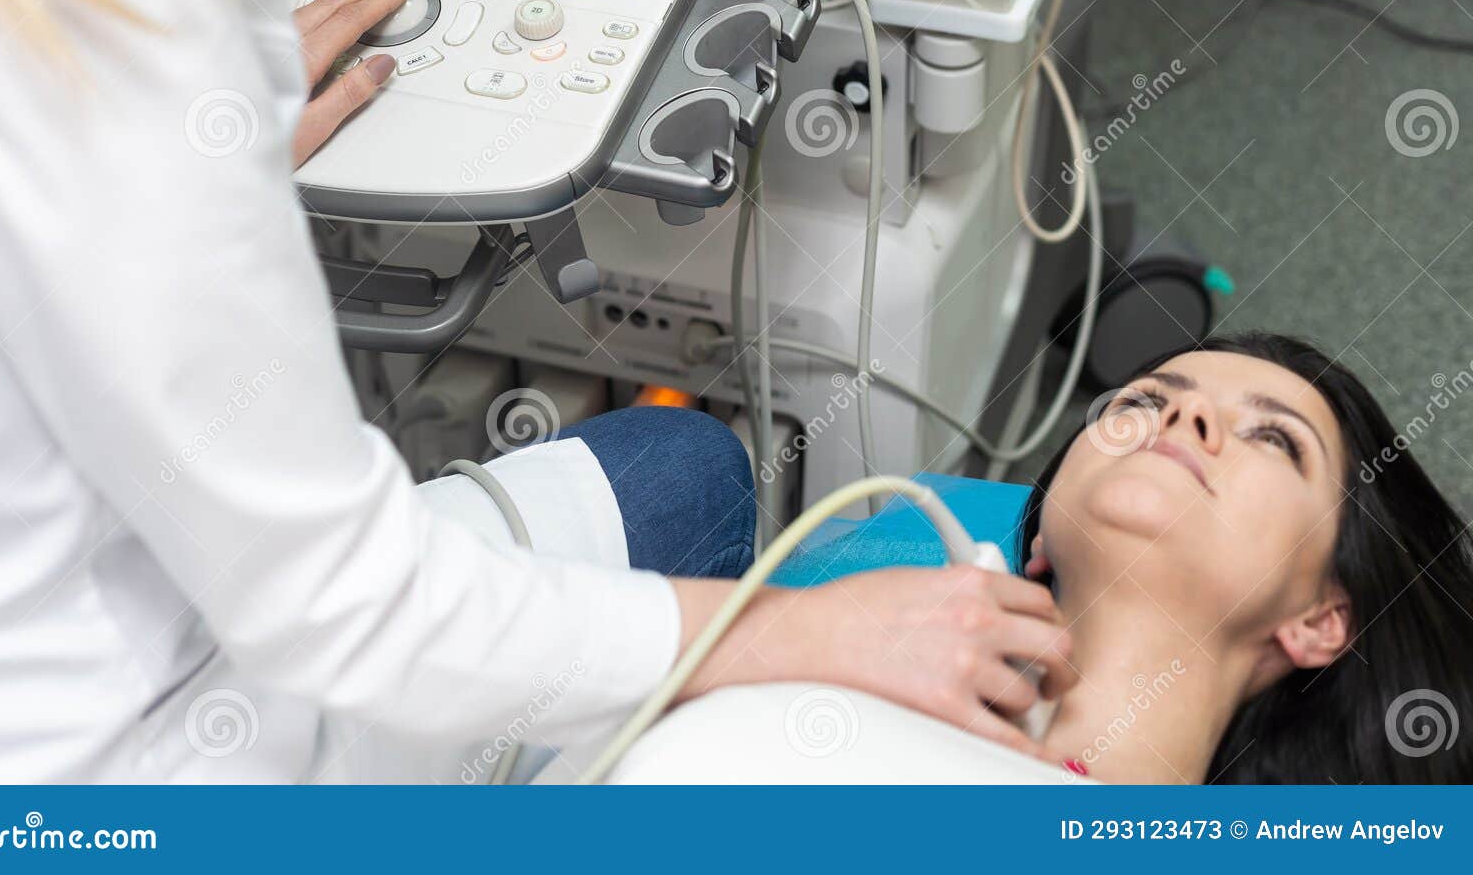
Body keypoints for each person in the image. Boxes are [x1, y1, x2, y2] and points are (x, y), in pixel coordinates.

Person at [0, 0, 1072, 780]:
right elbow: (348, 613)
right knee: (689, 468)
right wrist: (805, 633)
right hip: (123, 774)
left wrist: (166, 164)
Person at [605, 333, 1473, 784]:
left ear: (1322, 620)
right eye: (1144, 401)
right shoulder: (839, 653)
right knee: (682, 458)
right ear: (1042, 541)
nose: (1184, 421)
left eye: (1275, 439)